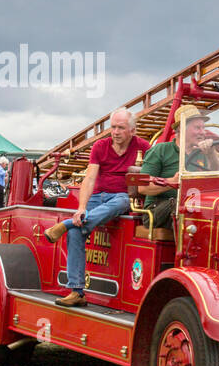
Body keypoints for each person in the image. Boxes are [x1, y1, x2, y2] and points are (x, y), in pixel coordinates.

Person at [44, 107, 150, 307]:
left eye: (121, 128)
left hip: (121, 197)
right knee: (76, 233)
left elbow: (153, 172)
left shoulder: (143, 147)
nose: (115, 132)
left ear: (132, 131)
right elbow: (90, 178)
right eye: (113, 127)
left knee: (122, 201)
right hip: (97, 197)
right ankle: (77, 292)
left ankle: (65, 224)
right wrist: (82, 207)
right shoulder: (100, 146)